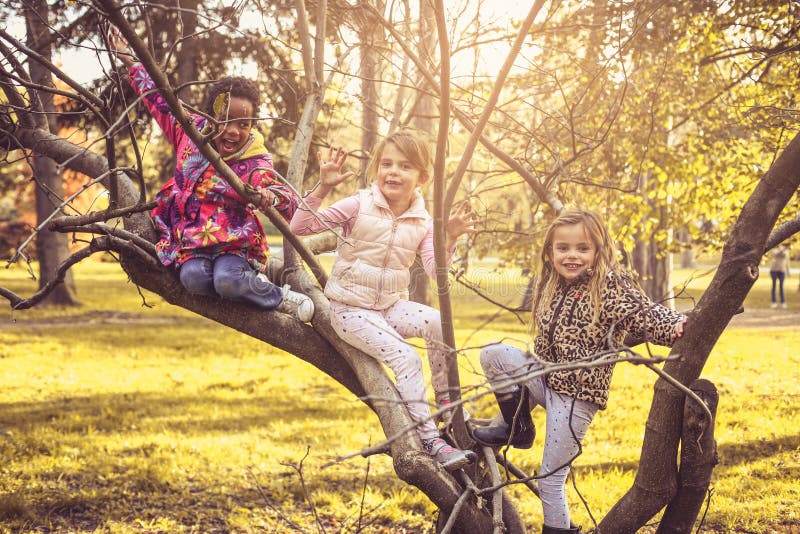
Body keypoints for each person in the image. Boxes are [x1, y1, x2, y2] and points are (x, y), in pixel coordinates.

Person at [472, 209, 687, 534]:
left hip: (577, 398)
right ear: (550, 251)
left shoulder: (609, 286)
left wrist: (673, 325)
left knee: (550, 480)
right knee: (493, 353)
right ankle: (516, 427)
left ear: (599, 251)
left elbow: (644, 313)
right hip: (545, 377)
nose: (571, 256)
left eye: (582, 249)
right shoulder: (551, 282)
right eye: (563, 248)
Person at [289, 130, 477, 470]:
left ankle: (448, 404)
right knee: (406, 359)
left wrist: (447, 237)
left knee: (438, 322)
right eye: (386, 163)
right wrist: (324, 187)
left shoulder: (422, 221)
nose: (393, 172)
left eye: (404, 166)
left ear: (422, 176)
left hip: (389, 307)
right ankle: (430, 440)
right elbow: (299, 226)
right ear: (376, 169)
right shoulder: (358, 204)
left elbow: (437, 272)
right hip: (350, 310)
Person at [109, 31, 313, 321]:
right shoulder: (189, 132)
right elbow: (158, 100)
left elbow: (286, 199)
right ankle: (241, 283)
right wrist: (129, 60)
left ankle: (278, 295)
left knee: (228, 282)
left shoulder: (253, 160)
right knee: (193, 280)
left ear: (252, 125)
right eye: (226, 120)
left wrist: (269, 195)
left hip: (233, 244)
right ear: (211, 115)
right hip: (192, 240)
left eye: (244, 124)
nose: (233, 131)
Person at [768, 244, 790, 309]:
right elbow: (776, 254)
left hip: (782, 271)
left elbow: (787, 261)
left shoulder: (786, 251)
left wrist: (788, 271)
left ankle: (783, 302)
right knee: (774, 286)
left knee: (781, 287)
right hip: (774, 271)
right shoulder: (774, 250)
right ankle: (773, 302)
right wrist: (781, 249)